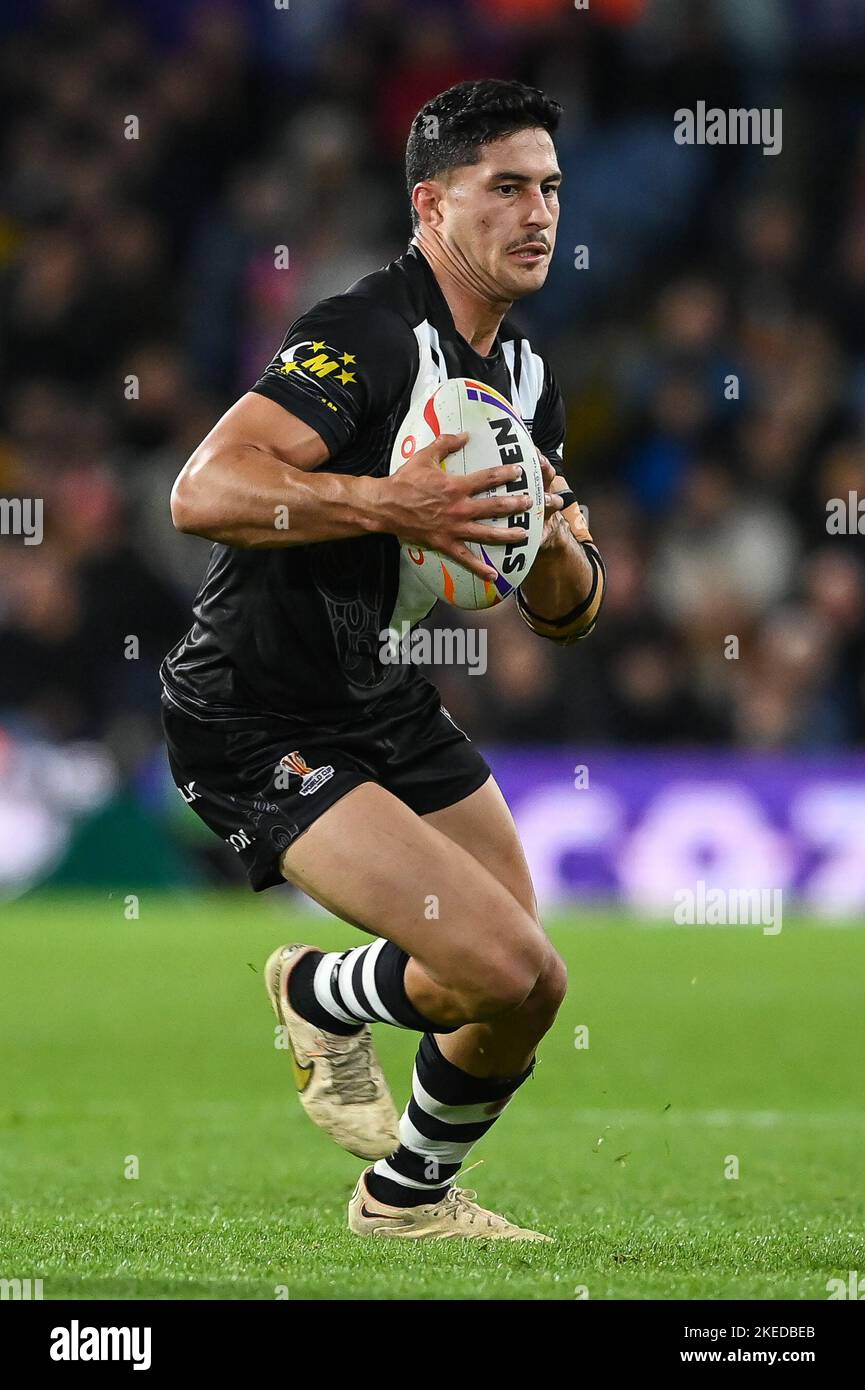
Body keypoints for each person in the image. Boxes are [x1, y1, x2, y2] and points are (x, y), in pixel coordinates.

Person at [161, 78, 605, 1240]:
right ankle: (317, 998)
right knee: (499, 967)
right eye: (504, 187)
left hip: (381, 693)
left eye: (550, 189)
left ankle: (401, 1196)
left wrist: (553, 534)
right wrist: (388, 500)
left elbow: (569, 614)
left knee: (528, 985)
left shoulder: (528, 381)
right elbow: (202, 490)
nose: (537, 215)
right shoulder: (362, 329)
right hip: (254, 709)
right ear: (431, 204)